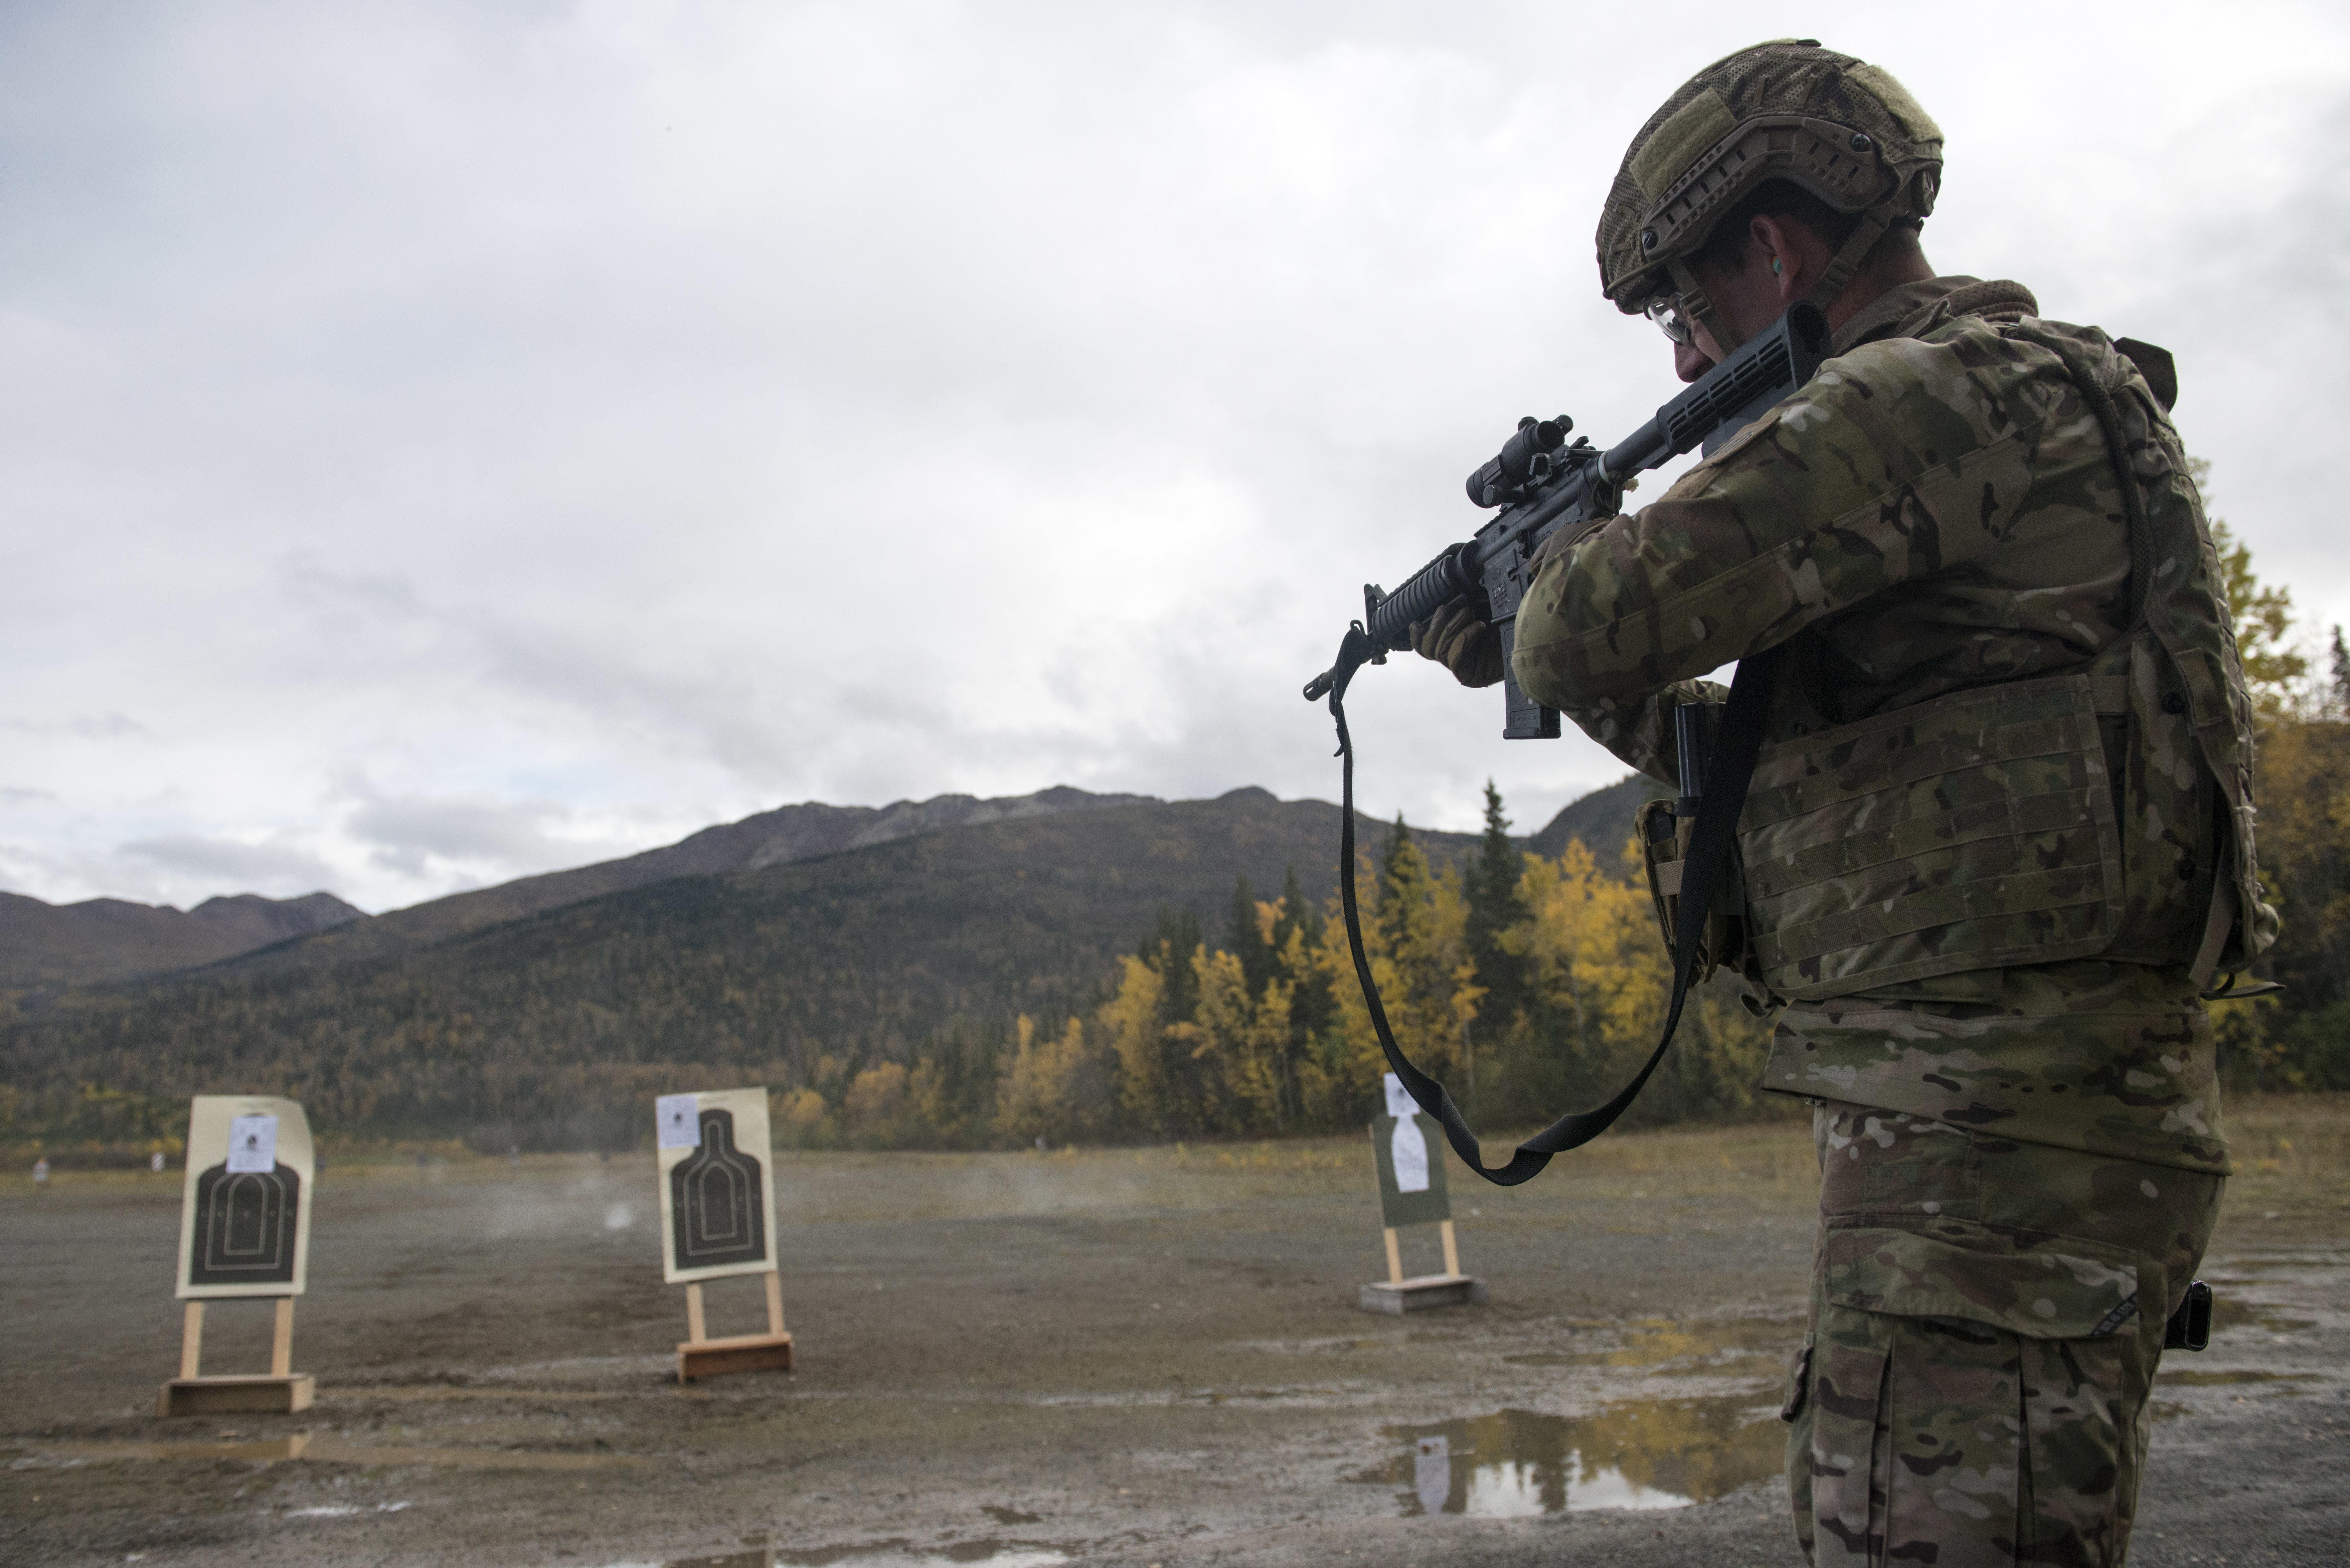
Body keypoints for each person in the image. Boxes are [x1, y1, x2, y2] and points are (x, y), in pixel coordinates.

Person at [1410, 39, 2273, 1567]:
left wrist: (1538, 587)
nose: (1683, 363)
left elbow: (1584, 618)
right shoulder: (1964, 425)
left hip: (1994, 1154)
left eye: (1687, 307)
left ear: (1773, 247)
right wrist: (1532, 623)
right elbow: (1774, 761)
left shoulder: (1937, 396)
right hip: (1980, 1145)